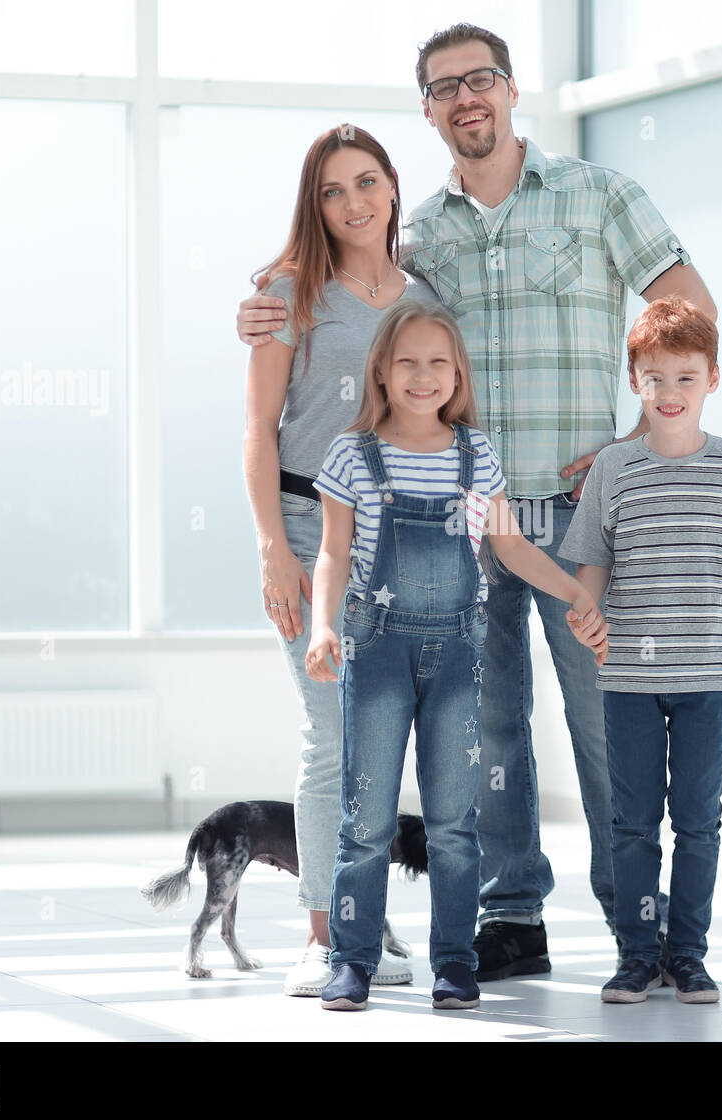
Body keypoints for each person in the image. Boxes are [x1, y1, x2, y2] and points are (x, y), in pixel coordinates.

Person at [237, 23, 718, 980]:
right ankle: (510, 918)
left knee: (605, 720)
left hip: (581, 522)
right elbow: (344, 302)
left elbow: (689, 314)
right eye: (445, 87)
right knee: (487, 728)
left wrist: (636, 440)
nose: (467, 98)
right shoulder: (426, 241)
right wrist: (261, 305)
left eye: (482, 79)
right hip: (463, 525)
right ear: (427, 110)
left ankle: (643, 928)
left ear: (509, 88)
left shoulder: (598, 195)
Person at [304, 300, 607, 1010]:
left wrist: (574, 595)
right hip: (376, 653)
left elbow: (509, 547)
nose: (423, 375)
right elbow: (332, 553)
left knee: (453, 824)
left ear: (458, 374)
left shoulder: (476, 454)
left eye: (438, 362)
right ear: (381, 370)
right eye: (407, 361)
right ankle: (350, 959)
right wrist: (322, 626)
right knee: (366, 819)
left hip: (457, 661)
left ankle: (454, 962)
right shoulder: (352, 455)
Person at [243, 123, 447, 995]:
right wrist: (270, 551)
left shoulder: (423, 292)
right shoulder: (290, 290)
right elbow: (257, 427)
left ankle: (365, 914)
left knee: (378, 741)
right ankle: (325, 936)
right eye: (333, 190)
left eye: (367, 183)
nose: (354, 203)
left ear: (394, 188)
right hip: (301, 528)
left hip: (396, 536)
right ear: (314, 204)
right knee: (330, 733)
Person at [561, 296, 722, 1004]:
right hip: (626, 676)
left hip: (708, 675)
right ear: (635, 382)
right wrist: (585, 610)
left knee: (697, 821)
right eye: (654, 378)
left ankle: (686, 954)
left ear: (712, 378)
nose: (669, 393)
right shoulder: (614, 470)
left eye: (685, 377)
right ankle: (635, 953)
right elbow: (591, 559)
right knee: (631, 823)